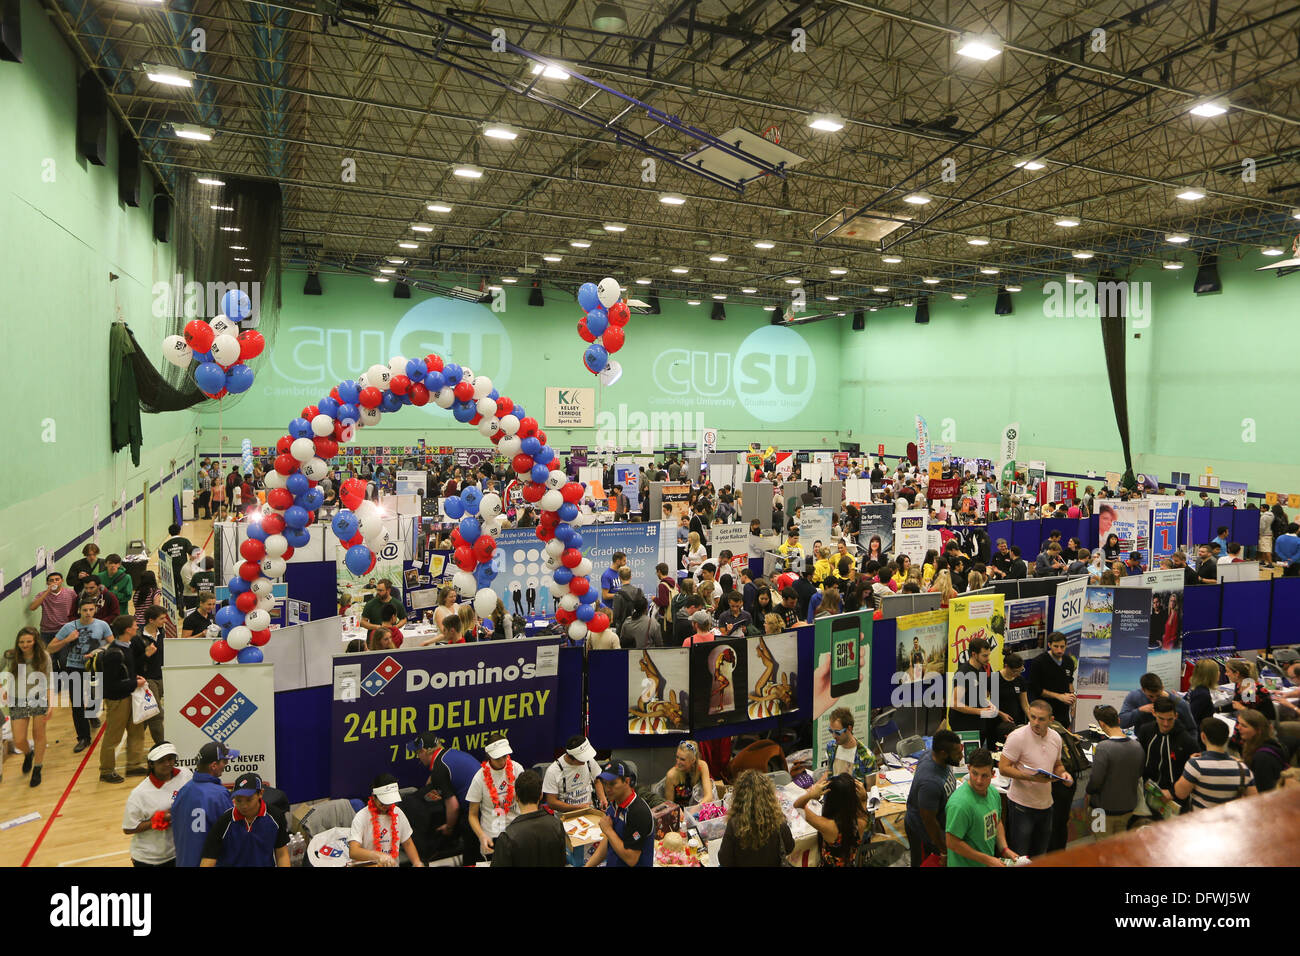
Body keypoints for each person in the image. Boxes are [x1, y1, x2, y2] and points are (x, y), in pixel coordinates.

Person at [999, 699, 1071, 857]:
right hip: (1021, 806)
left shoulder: (1056, 738)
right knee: (1020, 856)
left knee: (1040, 855)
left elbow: (1057, 764)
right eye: (1032, 717)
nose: (1035, 722)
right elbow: (1003, 768)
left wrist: (1063, 774)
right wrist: (1031, 778)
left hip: (1046, 805)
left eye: (1041, 719)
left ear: (1051, 720)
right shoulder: (1017, 737)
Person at [48, 599, 111, 751]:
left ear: (95, 610)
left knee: (95, 698)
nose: (88, 613)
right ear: (79, 611)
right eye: (85, 610)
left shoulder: (102, 625)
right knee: (77, 704)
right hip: (73, 668)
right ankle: (83, 737)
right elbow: (50, 648)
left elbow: (112, 643)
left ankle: (91, 714)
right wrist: (67, 640)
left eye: (91, 609)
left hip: (94, 667)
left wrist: (98, 651)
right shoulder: (68, 627)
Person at [945, 748, 1020, 867]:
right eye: (975, 773)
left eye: (984, 775)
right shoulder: (960, 804)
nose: (979, 781)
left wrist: (1004, 849)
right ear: (969, 768)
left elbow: (997, 821)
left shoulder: (993, 793)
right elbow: (952, 842)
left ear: (993, 774)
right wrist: (988, 860)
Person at [121, 742, 192, 867]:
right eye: (161, 761)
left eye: (170, 759)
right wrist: (155, 822)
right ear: (151, 764)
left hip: (178, 852)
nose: (167, 764)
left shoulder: (185, 774)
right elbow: (128, 828)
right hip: (149, 859)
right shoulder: (139, 794)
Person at [200, 772, 291, 867]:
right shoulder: (224, 822)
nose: (244, 805)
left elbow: (282, 854)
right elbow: (208, 858)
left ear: (260, 793)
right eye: (238, 800)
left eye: (249, 799)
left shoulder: (276, 816)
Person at [98, 615, 148, 783]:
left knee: (136, 730)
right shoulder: (113, 654)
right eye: (135, 626)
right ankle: (106, 770)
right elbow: (111, 684)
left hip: (130, 695)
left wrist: (135, 678)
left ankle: (133, 765)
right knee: (113, 736)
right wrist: (134, 682)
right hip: (118, 700)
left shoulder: (128, 646)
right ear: (127, 630)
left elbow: (126, 673)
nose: (137, 628)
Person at [904, 730, 963, 866]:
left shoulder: (931, 755)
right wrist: (943, 850)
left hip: (938, 825)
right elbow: (929, 821)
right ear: (943, 754)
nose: (961, 756)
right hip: (925, 833)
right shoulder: (930, 783)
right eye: (957, 753)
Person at [171, 742, 236, 867]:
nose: (226, 764)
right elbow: (231, 834)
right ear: (214, 766)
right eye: (224, 761)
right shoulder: (219, 794)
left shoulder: (183, 791)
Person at [1174, 717, 1258, 810]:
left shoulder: (1195, 765)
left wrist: (1189, 766)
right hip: (1231, 822)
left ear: (1203, 736)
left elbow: (1180, 793)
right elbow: (1254, 801)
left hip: (1203, 822)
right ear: (1226, 738)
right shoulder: (1243, 769)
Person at [1086, 705, 1144, 838]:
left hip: (1101, 810)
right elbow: (1139, 774)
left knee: (1100, 846)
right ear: (1118, 720)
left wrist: (1089, 792)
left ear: (1101, 724)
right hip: (1128, 808)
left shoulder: (1103, 748)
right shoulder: (1137, 746)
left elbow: (1095, 781)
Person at [716, 769, 794, 867]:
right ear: (768, 795)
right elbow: (789, 847)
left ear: (738, 796)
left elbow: (724, 860)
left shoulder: (734, 824)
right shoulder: (778, 820)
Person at [466, 732, 525, 860]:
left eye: (505, 756)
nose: (503, 761)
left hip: (518, 831)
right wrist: (482, 836)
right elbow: (472, 815)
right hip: (493, 836)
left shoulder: (517, 769)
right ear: (489, 756)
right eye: (498, 758)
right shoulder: (479, 778)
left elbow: (526, 802)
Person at [4, 627, 52, 787]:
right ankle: (28, 753)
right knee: (19, 740)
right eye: (21, 642)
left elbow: (50, 681)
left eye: (28, 641)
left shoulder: (44, 656)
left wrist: (50, 704)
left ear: (35, 641)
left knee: (39, 735)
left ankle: (37, 768)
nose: (25, 645)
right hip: (17, 700)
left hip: (39, 699)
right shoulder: (10, 656)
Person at [585, 761, 655, 867]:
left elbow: (631, 859)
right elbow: (609, 840)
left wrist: (608, 830)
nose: (607, 789)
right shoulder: (614, 804)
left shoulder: (638, 813)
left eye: (612, 783)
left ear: (627, 781)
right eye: (605, 783)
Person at [492, 769, 567, 867]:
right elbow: (562, 862)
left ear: (517, 797)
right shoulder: (557, 826)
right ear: (541, 795)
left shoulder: (507, 837)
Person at [793, 773, 868, 867]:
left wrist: (810, 795)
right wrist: (864, 798)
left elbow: (798, 806)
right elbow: (863, 808)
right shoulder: (861, 822)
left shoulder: (828, 826)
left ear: (831, 798)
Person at [349, 774, 423, 867]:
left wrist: (417, 863)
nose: (386, 806)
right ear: (374, 796)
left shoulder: (398, 813)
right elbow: (353, 851)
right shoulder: (361, 817)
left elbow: (407, 843)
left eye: (389, 802)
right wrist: (377, 855)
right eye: (382, 802)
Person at [131, 606, 170, 746]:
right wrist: (146, 655)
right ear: (151, 620)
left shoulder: (162, 632)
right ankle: (163, 747)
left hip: (161, 677)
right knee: (156, 714)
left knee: (148, 713)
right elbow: (133, 663)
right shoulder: (137, 639)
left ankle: (134, 742)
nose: (165, 621)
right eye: (161, 618)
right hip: (147, 680)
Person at [948, 636, 994, 742]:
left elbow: (981, 695)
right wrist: (980, 711)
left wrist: (992, 707)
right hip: (964, 725)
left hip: (978, 723)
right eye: (984, 655)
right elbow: (954, 703)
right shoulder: (963, 674)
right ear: (974, 654)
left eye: (988, 655)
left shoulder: (982, 669)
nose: (988, 658)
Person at [1119, 672, 1196, 733]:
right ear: (1143, 690)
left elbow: (1192, 729)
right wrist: (1139, 711)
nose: (1154, 699)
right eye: (1151, 696)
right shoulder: (1134, 697)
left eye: (1158, 695)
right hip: (1144, 744)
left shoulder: (1180, 703)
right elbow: (1122, 722)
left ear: (1162, 688)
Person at [1028, 631, 1076, 727]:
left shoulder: (1069, 661)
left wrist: (1073, 701)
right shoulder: (1038, 662)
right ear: (1049, 645)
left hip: (1063, 711)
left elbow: (1069, 682)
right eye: (1056, 646)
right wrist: (1059, 696)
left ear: (1066, 646)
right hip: (1044, 712)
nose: (1059, 650)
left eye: (1062, 647)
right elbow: (1036, 690)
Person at [1236, 708, 1289, 792]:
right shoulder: (1261, 744)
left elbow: (1265, 791)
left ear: (1258, 731)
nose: (1238, 727)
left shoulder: (1262, 758)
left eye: (1244, 726)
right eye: (1239, 724)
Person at [823, 706, 878, 788]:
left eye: (837, 732)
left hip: (853, 799)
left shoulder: (867, 757)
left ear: (849, 728)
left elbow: (870, 791)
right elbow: (829, 773)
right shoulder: (831, 747)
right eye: (831, 731)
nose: (833, 736)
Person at [27, 572, 78, 657]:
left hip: (64, 629)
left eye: (57, 579)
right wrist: (47, 592)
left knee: (64, 657)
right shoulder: (42, 595)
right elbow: (32, 607)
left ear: (62, 581)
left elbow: (77, 608)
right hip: (47, 631)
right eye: (51, 580)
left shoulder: (70, 593)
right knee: (48, 657)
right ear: (47, 583)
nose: (54, 582)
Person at [663, 739, 715, 807]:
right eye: (677, 757)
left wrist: (695, 810)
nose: (678, 762)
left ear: (693, 760)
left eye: (682, 759)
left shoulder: (702, 766)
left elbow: (709, 796)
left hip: (698, 808)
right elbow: (669, 806)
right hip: (681, 813)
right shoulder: (671, 775)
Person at [158, 524, 194, 597]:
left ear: (169, 533)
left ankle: (177, 605)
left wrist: (160, 572)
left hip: (171, 571)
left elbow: (161, 560)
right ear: (179, 531)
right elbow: (192, 554)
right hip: (183, 570)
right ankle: (182, 604)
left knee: (173, 591)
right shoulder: (185, 541)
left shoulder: (166, 545)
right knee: (183, 589)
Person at [1185, 658, 1221, 724]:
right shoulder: (1202, 695)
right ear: (1211, 675)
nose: (1219, 673)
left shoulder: (1195, 687)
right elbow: (1193, 719)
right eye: (1217, 671)